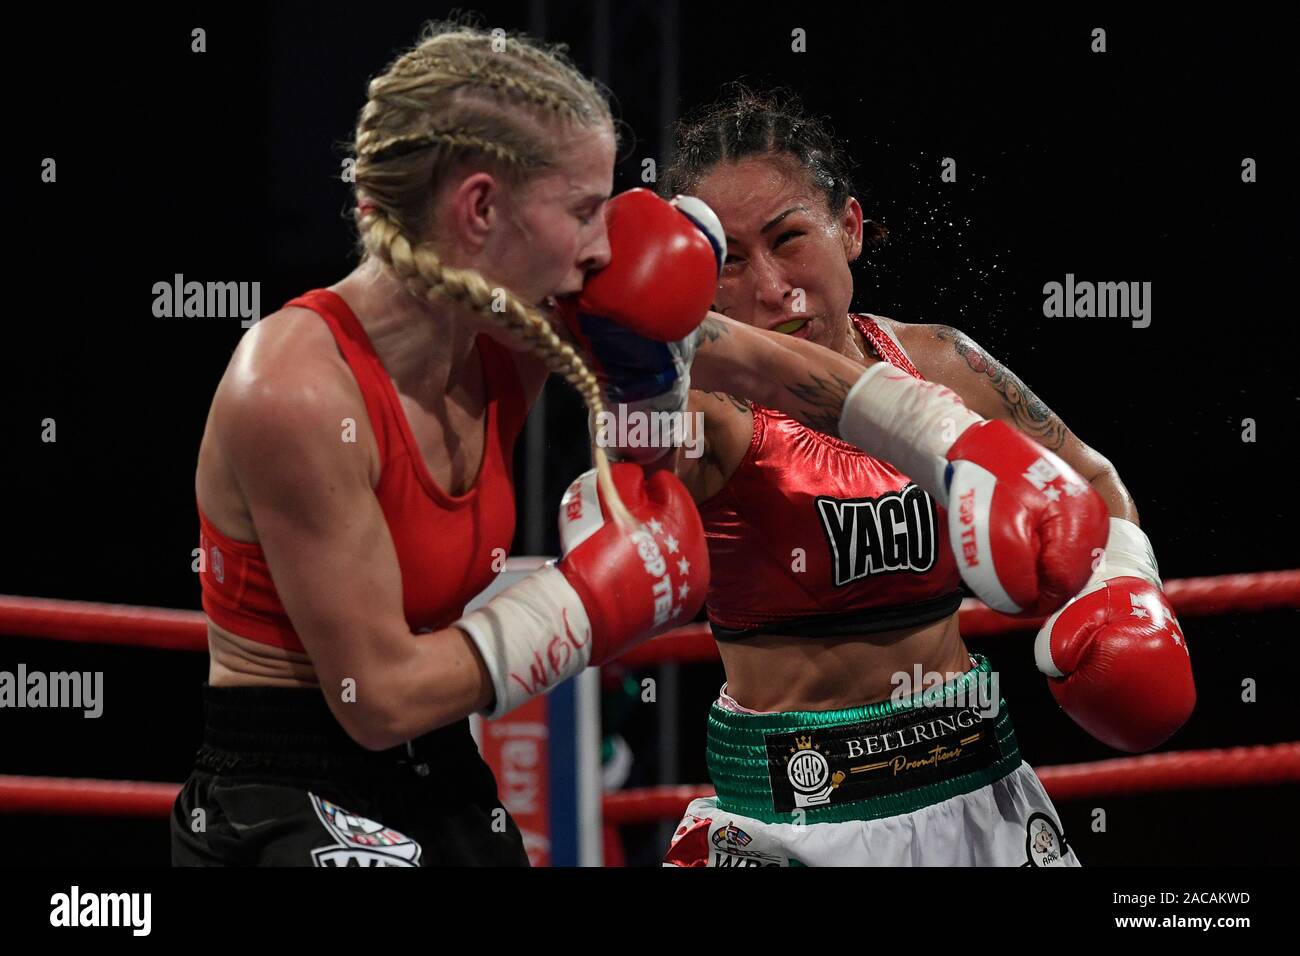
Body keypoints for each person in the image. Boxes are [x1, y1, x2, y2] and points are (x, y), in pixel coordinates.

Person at [170, 20, 714, 867]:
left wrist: (656, 376)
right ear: (482, 207)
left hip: (443, 770)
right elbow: (376, 699)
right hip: (280, 788)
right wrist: (579, 608)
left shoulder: (517, 329)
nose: (604, 243)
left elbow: (725, 398)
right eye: (580, 209)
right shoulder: (294, 388)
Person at [647, 85, 1196, 867]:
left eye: (789, 239)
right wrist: (636, 327)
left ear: (851, 227)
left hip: (984, 800)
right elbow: (634, 442)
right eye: (727, 262)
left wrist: (1125, 588)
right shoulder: (707, 412)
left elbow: (1092, 476)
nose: (770, 287)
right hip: (797, 822)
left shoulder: (942, 362)